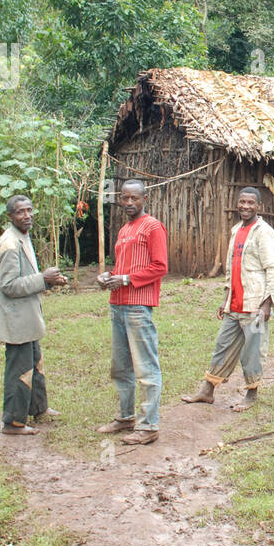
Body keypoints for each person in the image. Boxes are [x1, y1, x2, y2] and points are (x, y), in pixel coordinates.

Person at [184, 187, 274, 412]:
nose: (245, 206)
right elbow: (232, 268)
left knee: (253, 351)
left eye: (250, 203)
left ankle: (251, 394)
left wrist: (268, 303)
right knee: (222, 346)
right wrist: (226, 298)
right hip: (235, 303)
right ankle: (207, 391)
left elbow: (273, 268)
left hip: (255, 304)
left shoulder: (263, 232)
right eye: (242, 202)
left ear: (259, 206)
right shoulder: (237, 229)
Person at [0, 195, 68, 435]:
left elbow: (28, 277)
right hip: (16, 318)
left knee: (35, 364)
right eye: (21, 212)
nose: (27, 216)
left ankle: (38, 409)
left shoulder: (23, 236)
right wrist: (43, 278)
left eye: (30, 210)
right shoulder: (9, 243)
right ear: (10, 216)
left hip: (28, 316)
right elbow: (9, 285)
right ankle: (13, 422)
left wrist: (50, 282)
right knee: (19, 370)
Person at [96, 180, 168, 445]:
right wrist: (109, 277)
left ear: (144, 199)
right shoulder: (125, 229)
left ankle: (149, 426)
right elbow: (121, 268)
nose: (128, 203)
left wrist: (126, 279)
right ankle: (126, 417)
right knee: (120, 367)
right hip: (118, 305)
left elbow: (160, 266)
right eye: (124, 198)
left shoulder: (153, 227)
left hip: (138, 306)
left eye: (134, 198)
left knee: (146, 367)